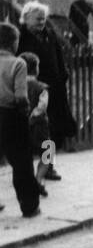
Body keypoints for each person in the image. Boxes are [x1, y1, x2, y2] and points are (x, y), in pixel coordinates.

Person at [17, 2, 75, 180]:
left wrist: (63, 75)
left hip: (53, 91)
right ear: (26, 18)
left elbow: (58, 57)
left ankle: (48, 167)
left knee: (51, 132)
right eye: (38, 19)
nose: (42, 22)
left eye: (43, 18)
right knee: (25, 133)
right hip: (30, 91)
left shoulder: (49, 34)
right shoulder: (20, 38)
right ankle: (24, 171)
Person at [0, 23, 41, 216]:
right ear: (13, 43)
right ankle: (29, 205)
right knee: (21, 162)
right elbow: (21, 96)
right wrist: (25, 112)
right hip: (11, 115)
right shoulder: (18, 64)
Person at [20, 52, 51, 196]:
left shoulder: (18, 85)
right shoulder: (41, 87)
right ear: (36, 69)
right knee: (47, 152)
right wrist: (33, 116)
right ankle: (38, 179)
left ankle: (29, 182)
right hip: (39, 127)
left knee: (25, 155)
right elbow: (42, 106)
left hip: (22, 126)